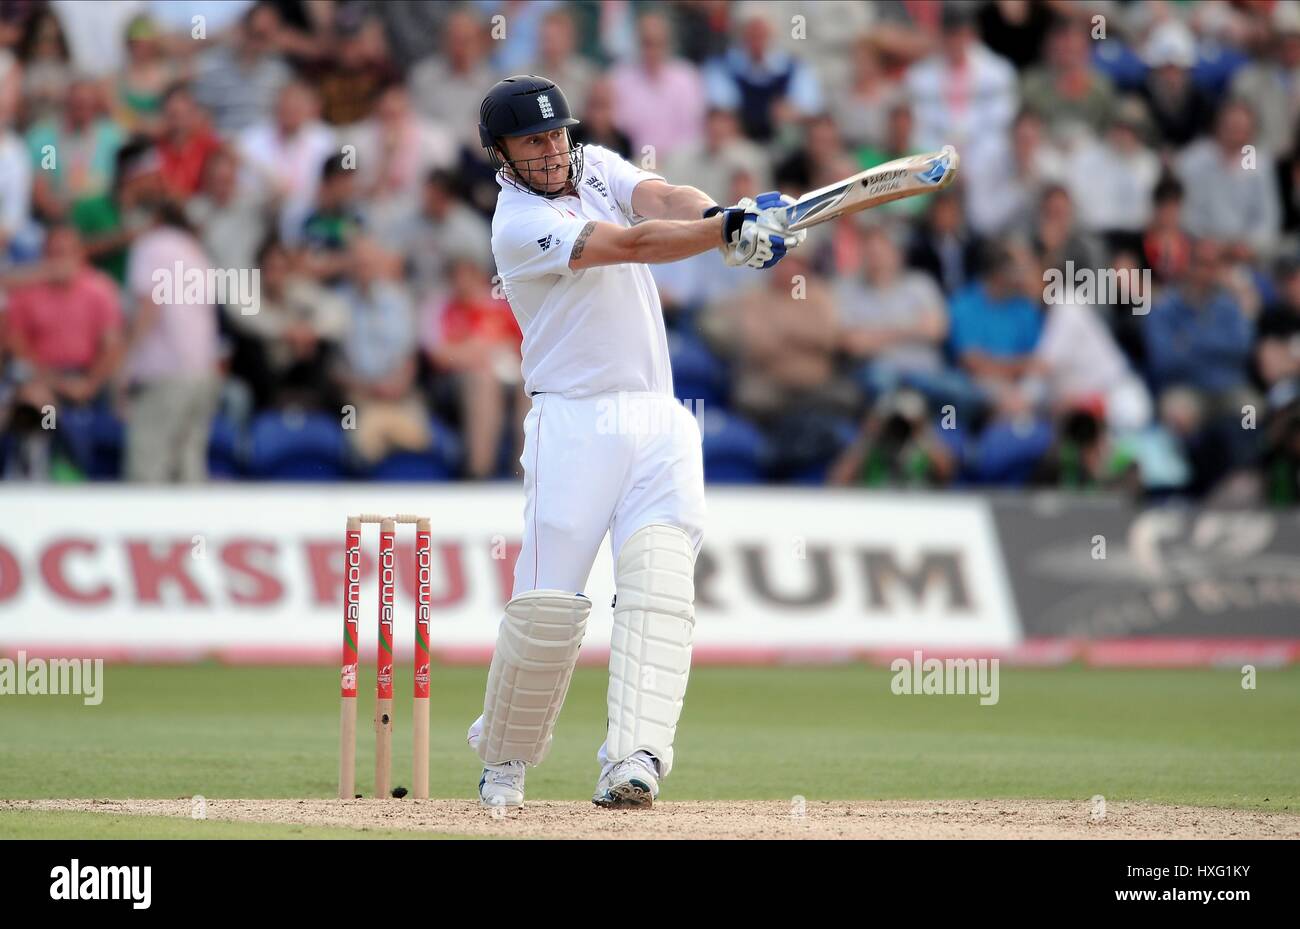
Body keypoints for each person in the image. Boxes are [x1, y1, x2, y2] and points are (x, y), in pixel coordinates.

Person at [467, 74, 804, 811]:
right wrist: (726, 235)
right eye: (534, 141)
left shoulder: (593, 165)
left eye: (558, 134)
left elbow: (664, 200)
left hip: (657, 417)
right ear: (501, 153)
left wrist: (724, 214)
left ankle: (634, 760)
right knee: (550, 605)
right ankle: (505, 760)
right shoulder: (517, 224)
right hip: (573, 422)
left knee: (660, 588)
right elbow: (633, 243)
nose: (553, 150)